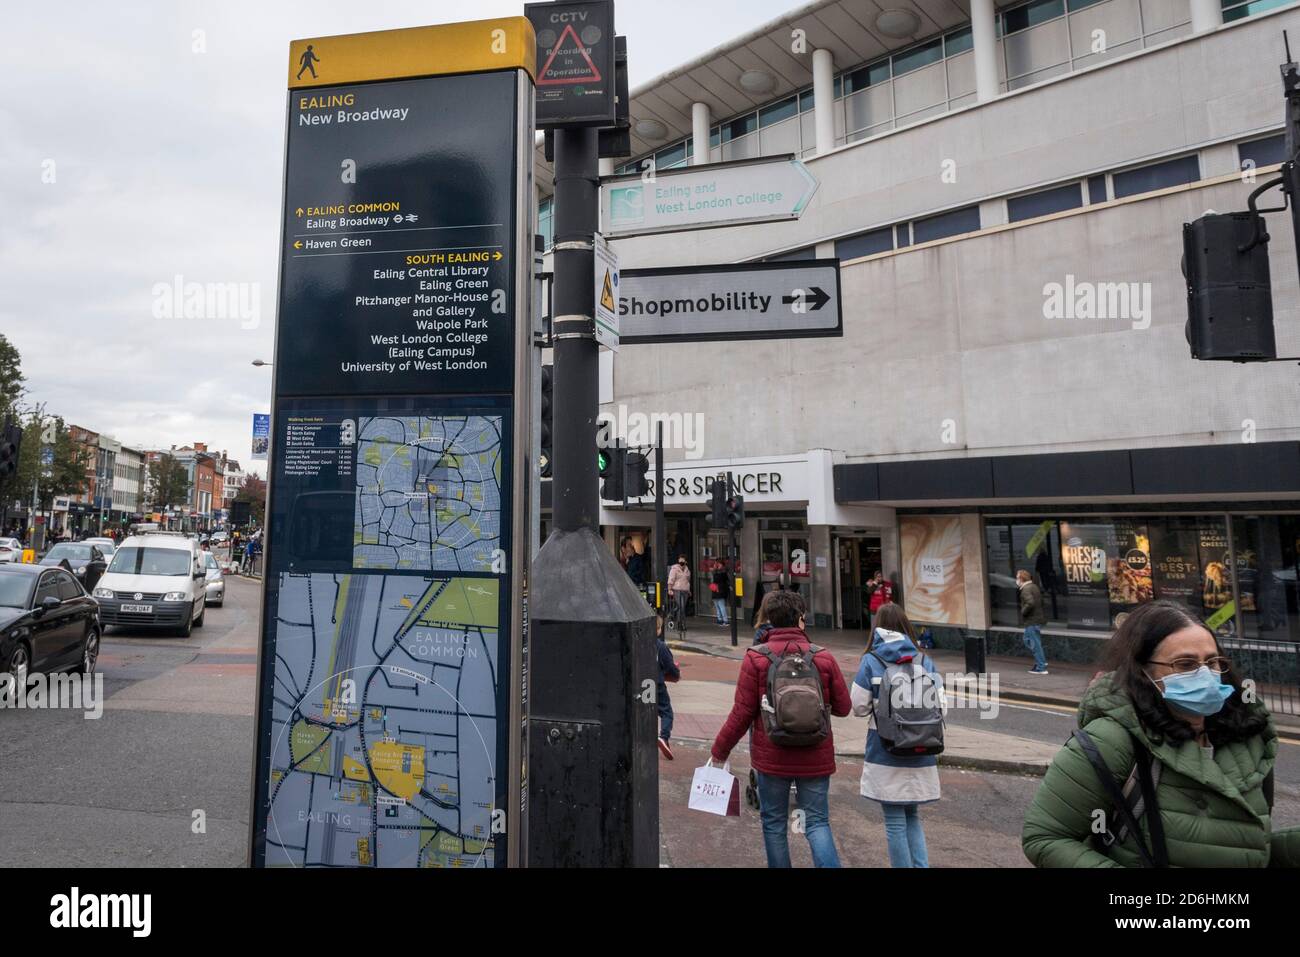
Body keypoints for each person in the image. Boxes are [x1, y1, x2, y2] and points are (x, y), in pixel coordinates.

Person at [1023, 600, 1300, 867]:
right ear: (1143, 672)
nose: (1205, 674)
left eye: (1212, 661)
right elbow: (1045, 837)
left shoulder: (1249, 737)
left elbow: (1246, 848)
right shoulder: (1112, 740)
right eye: (1185, 664)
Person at [711, 590, 852, 868]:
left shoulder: (756, 658)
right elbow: (844, 707)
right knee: (817, 822)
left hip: (772, 757)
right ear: (801, 619)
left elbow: (742, 713)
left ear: (770, 620)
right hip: (816, 755)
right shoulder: (823, 658)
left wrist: (720, 751)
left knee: (774, 824)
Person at [852, 602, 942, 868]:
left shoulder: (871, 661)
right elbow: (942, 705)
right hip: (923, 748)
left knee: (894, 821)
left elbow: (857, 707)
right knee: (912, 816)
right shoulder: (925, 661)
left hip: (886, 750)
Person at [655, 612, 680, 759]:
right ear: (658, 629)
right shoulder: (660, 646)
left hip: (641, 684)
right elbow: (670, 667)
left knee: (647, 711)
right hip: (657, 684)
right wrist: (676, 674)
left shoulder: (639, 643)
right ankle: (664, 737)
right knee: (666, 712)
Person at [1017, 569, 1050, 675]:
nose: (1016, 580)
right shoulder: (1034, 586)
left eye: (1017, 577)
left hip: (1032, 620)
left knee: (1034, 643)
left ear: (1021, 578)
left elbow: (1030, 603)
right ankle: (1041, 662)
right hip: (1037, 619)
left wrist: (1023, 611)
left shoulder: (1026, 589)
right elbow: (1041, 601)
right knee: (1029, 640)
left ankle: (1041, 667)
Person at [667, 554, 691, 626]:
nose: (681, 563)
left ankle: (671, 613)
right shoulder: (674, 569)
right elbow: (671, 579)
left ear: (686, 562)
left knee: (681, 607)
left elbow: (688, 581)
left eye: (682, 562)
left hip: (685, 591)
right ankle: (680, 623)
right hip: (677, 590)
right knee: (681, 606)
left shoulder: (687, 570)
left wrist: (689, 590)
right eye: (680, 562)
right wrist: (669, 589)